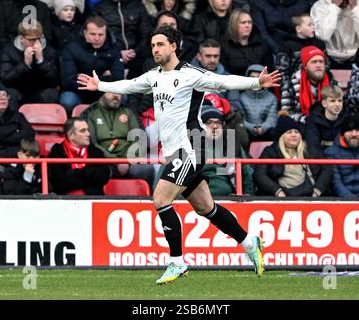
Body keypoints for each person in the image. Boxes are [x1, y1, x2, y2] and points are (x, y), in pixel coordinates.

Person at [77, 26, 281, 283]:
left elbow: (222, 81)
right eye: (153, 45)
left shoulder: (190, 74)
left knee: (161, 198)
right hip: (176, 152)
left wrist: (255, 83)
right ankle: (249, 242)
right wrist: (101, 85)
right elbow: (129, 85)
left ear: (174, 46)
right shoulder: (153, 76)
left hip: (190, 148)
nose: (155, 50)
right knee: (207, 208)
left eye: (160, 44)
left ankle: (176, 262)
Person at [82, 92, 156, 190]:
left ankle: (146, 202)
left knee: (147, 169)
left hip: (129, 160)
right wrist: (115, 161)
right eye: (112, 92)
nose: (116, 95)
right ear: (102, 93)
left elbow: (141, 139)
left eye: (119, 93)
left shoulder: (128, 111)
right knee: (96, 172)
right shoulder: (89, 113)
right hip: (103, 162)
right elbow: (91, 144)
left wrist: (127, 160)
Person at [253, 114, 332, 197]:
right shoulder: (270, 151)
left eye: (296, 132)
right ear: (281, 136)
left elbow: (327, 169)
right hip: (280, 199)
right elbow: (259, 174)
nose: (294, 135)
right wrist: (277, 191)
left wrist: (317, 190)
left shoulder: (310, 149)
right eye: (289, 132)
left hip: (310, 197)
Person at [60, 15, 125, 116]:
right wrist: (105, 77)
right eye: (92, 34)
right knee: (67, 100)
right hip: (78, 92)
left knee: (123, 97)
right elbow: (68, 81)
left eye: (101, 34)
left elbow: (118, 78)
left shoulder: (114, 49)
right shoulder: (72, 48)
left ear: (106, 33)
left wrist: (85, 78)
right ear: (85, 33)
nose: (97, 38)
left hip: (104, 92)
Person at [0, 21, 60, 106]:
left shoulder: (50, 52)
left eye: (39, 39)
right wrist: (25, 64)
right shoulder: (9, 51)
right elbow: (5, 80)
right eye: (32, 40)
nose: (37, 43)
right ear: (21, 38)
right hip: (19, 91)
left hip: (41, 91)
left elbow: (54, 81)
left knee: (52, 93)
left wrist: (41, 61)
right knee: (10, 93)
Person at [201, 105, 254, 196]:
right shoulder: (189, 145)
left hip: (230, 198)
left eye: (219, 123)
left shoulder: (232, 143)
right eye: (209, 122)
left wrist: (248, 196)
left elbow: (246, 173)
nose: (215, 126)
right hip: (195, 199)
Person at [48, 117, 110, 195]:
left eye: (87, 130)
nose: (88, 134)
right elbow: (57, 182)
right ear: (71, 135)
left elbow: (103, 177)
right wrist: (89, 177)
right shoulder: (56, 152)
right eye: (83, 131)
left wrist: (74, 172)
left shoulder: (95, 152)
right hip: (64, 203)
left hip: (92, 201)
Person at [311, 0, 359, 69]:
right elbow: (323, 35)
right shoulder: (320, 5)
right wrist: (334, 7)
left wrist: (355, 9)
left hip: (356, 57)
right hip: (328, 57)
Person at [281, 45, 336, 125]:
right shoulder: (291, 85)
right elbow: (286, 113)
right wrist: (308, 120)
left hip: (328, 126)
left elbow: (341, 109)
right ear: (305, 66)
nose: (318, 65)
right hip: (302, 126)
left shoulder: (333, 84)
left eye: (321, 61)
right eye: (314, 62)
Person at [276, 12, 326, 99]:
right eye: (309, 25)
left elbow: (326, 67)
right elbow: (282, 71)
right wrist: (288, 89)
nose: (313, 28)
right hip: (295, 89)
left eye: (313, 25)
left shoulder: (319, 44)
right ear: (298, 29)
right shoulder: (287, 46)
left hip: (318, 87)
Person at [220, 8, 274, 77]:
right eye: (243, 22)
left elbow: (270, 72)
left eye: (249, 22)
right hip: (236, 86)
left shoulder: (262, 45)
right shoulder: (224, 47)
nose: (247, 25)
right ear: (234, 24)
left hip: (259, 85)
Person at [239, 64, 278, 142]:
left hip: (266, 131)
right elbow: (240, 119)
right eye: (252, 78)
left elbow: (272, 118)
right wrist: (253, 128)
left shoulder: (271, 97)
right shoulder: (241, 97)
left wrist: (262, 128)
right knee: (235, 133)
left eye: (258, 78)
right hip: (247, 130)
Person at [305, 85, 349, 151]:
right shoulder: (312, 120)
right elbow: (313, 147)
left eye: (340, 101)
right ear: (324, 103)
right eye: (333, 101)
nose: (337, 104)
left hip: (341, 159)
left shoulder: (348, 119)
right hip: (321, 159)